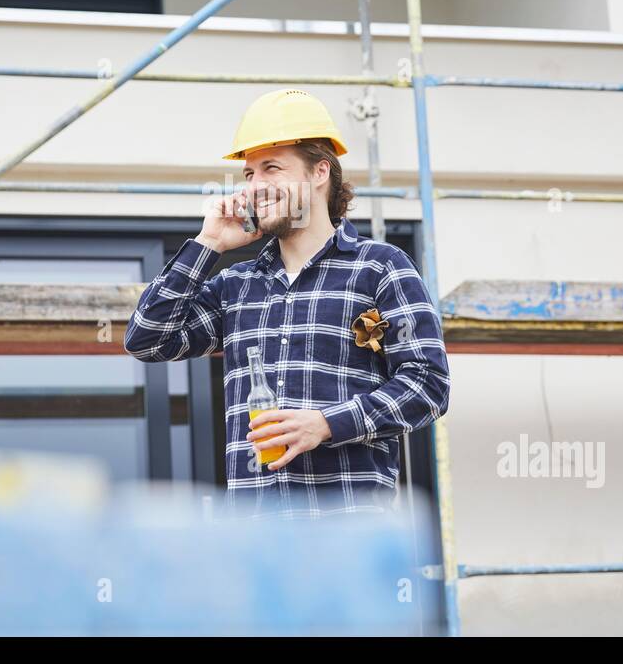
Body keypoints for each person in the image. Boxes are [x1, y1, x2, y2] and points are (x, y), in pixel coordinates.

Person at [124, 88, 451, 519]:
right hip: (258, 536)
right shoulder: (236, 285)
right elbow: (147, 339)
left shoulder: (381, 268)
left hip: (349, 532)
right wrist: (209, 243)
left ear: (319, 172)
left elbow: (428, 385)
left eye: (271, 169)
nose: (255, 186)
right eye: (249, 174)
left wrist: (328, 423)